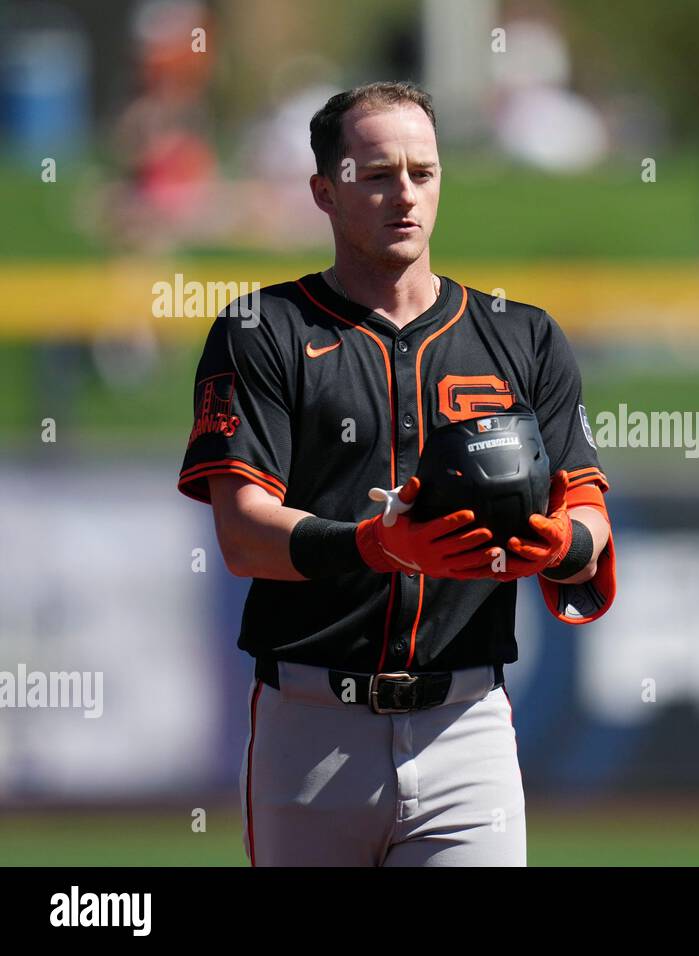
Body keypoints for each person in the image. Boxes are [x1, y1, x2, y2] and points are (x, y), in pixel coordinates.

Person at [178, 81, 615, 866]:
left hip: (467, 722)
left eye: (423, 171)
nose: (404, 194)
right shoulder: (265, 329)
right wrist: (379, 547)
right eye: (376, 174)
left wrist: (563, 546)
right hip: (312, 724)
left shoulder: (524, 335)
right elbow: (244, 532)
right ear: (324, 191)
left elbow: (585, 510)